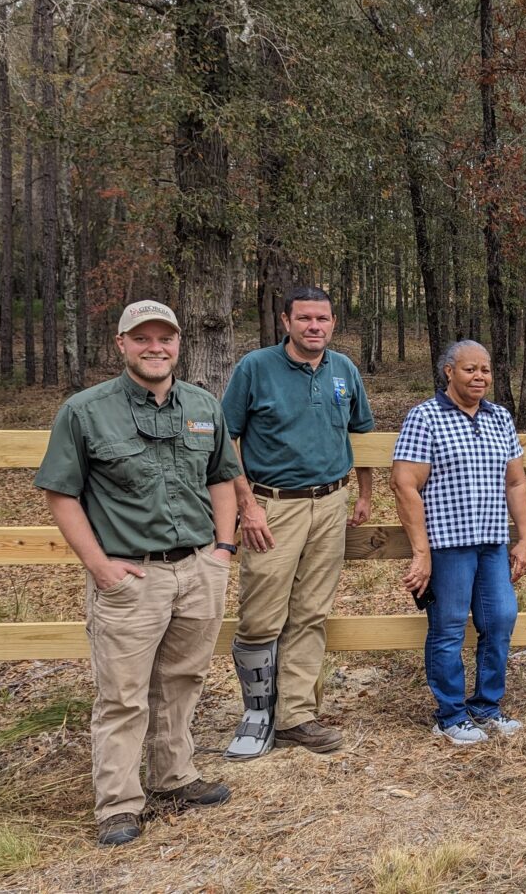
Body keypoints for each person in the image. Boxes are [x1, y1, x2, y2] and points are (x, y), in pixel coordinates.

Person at [34, 301, 242, 847]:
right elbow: (60, 493)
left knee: (183, 681)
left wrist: (222, 550)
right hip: (132, 580)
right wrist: (100, 567)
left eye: (164, 338)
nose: (155, 348)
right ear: (121, 344)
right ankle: (120, 803)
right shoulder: (85, 411)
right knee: (123, 696)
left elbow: (221, 477)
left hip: (198, 569)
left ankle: (175, 777)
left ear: (178, 344)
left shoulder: (202, 405)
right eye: (142, 338)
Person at [220, 286, 375, 760]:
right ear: (286, 321)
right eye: (305, 318)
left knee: (311, 612)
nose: (314, 326)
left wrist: (365, 493)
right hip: (273, 506)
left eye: (322, 319)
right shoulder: (256, 368)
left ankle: (295, 717)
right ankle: (257, 715)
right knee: (261, 613)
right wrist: (247, 504)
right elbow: (226, 437)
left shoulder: (343, 369)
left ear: (333, 323)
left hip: (330, 503)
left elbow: (361, 434)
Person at [391, 341, 526, 746]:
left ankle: (486, 706)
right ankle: (450, 714)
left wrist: (525, 537)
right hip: (448, 544)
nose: (479, 377)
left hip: (492, 541)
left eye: (485, 370)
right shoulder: (425, 417)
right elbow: (404, 483)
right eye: (470, 369)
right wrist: (421, 552)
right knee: (449, 627)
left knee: (501, 619)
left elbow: (515, 481)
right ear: (449, 372)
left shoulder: (499, 417)